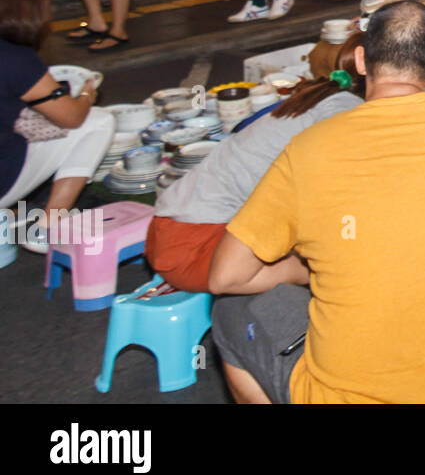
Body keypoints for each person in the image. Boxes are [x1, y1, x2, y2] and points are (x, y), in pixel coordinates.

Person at [208, 1, 425, 404]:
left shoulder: (308, 149)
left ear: (360, 59)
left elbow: (225, 276)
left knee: (228, 313)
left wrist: (307, 269)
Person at [146, 36, 366, 292]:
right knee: (343, 259)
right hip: (200, 248)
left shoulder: (322, 95)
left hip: (167, 230)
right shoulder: (343, 110)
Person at [0, 0, 113, 254]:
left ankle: (15, 215)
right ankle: (48, 227)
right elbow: (72, 117)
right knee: (98, 121)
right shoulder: (15, 58)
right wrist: (87, 93)